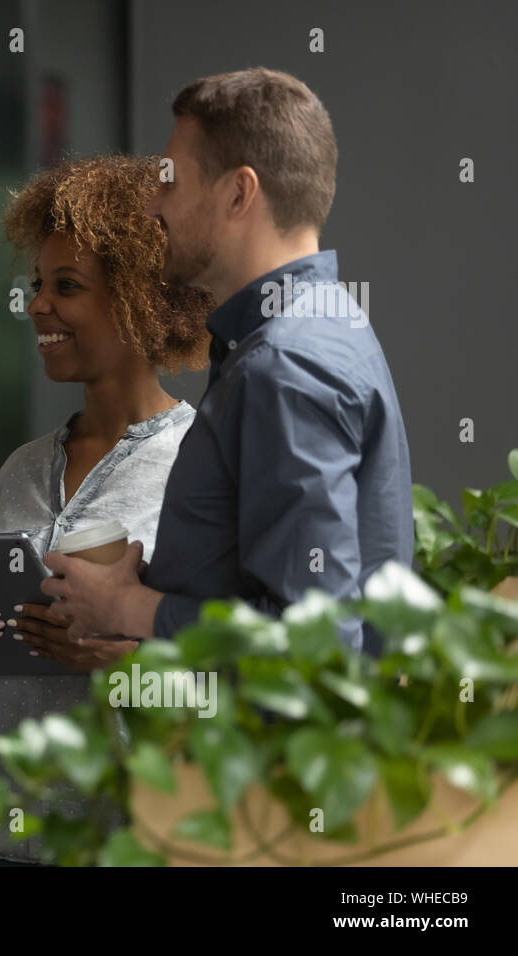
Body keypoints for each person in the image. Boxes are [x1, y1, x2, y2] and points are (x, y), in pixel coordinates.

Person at [41, 67, 413, 657]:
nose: (152, 207)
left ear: (239, 193)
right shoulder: (317, 329)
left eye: (170, 181)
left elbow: (317, 647)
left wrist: (131, 607)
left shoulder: (286, 366)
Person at [0, 155, 214, 865]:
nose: (36, 305)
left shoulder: (202, 469)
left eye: (66, 287)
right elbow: (4, 655)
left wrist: (123, 661)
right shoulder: (21, 469)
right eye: (37, 285)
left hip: (116, 838)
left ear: (136, 300)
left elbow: (232, 671)